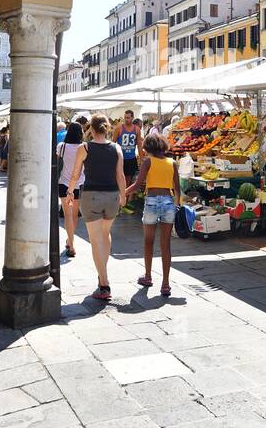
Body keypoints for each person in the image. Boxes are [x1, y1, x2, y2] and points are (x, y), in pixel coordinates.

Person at [64, 114, 127, 302]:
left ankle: (104, 283)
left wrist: (69, 192)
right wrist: (123, 196)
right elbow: (121, 176)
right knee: (105, 234)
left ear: (91, 128)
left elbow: (75, 174)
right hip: (112, 196)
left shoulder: (85, 147)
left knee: (95, 239)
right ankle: (102, 273)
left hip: (91, 195)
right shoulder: (116, 148)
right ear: (107, 128)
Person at [127, 133, 181, 296]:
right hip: (168, 202)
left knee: (148, 241)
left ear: (148, 147)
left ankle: (148, 276)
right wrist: (178, 205)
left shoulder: (148, 162)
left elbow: (137, 185)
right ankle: (165, 284)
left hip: (151, 201)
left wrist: (122, 194)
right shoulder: (172, 163)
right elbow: (177, 189)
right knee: (166, 244)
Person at [56, 121, 84, 259]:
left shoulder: (62, 146)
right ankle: (70, 242)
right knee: (74, 214)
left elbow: (56, 162)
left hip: (63, 183)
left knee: (67, 214)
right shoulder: (83, 147)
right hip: (78, 183)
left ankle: (70, 242)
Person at [116, 110, 140, 188]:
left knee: (129, 180)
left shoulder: (136, 129)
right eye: (125, 117)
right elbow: (113, 143)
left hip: (131, 158)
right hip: (121, 158)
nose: (126, 119)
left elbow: (139, 145)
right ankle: (121, 196)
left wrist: (141, 158)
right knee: (120, 178)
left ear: (132, 118)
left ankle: (126, 197)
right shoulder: (119, 128)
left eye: (128, 118)